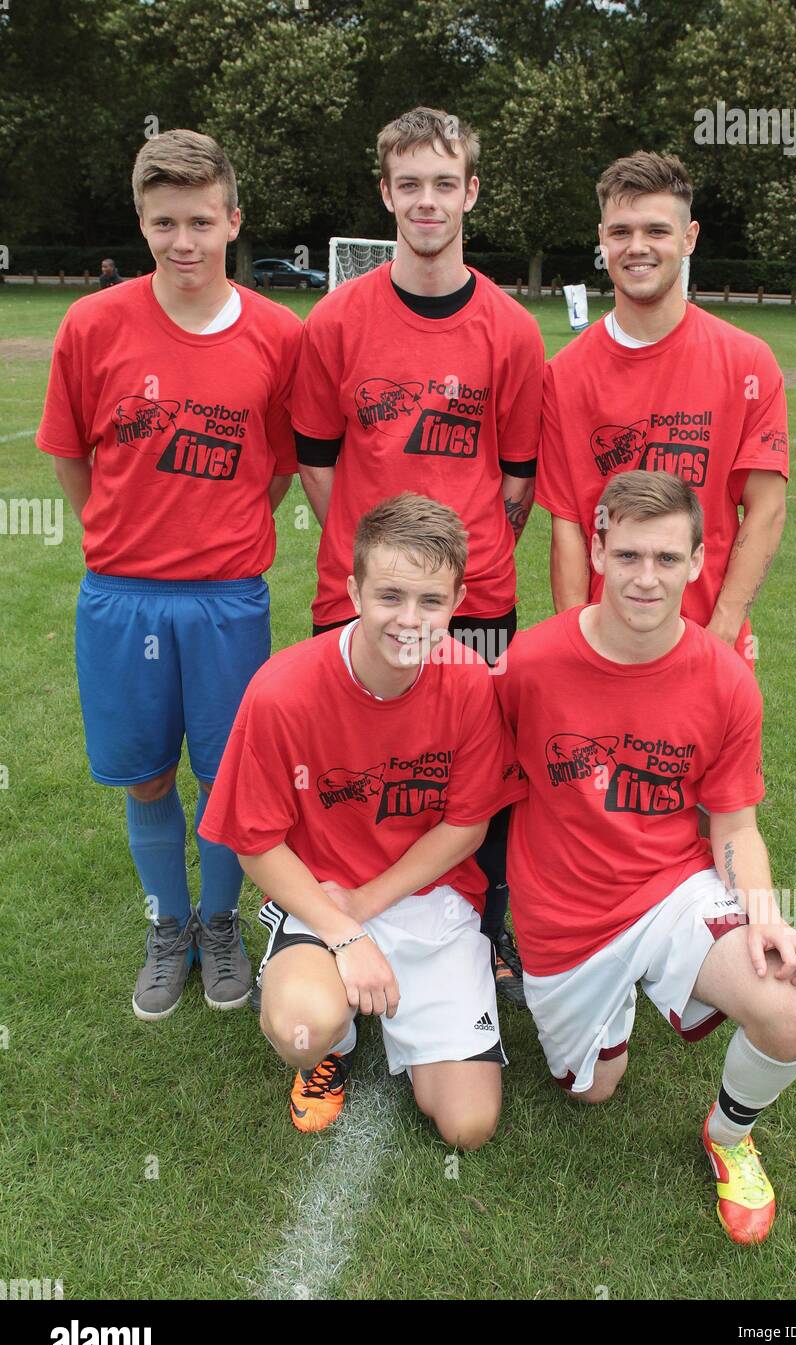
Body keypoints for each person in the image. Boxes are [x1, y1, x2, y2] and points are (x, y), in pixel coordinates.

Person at [495, 472, 796, 1244]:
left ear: (698, 562)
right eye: (629, 555)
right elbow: (480, 788)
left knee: (788, 1010)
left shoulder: (725, 680)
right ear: (597, 552)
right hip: (564, 916)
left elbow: (733, 825)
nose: (646, 577)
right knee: (592, 1092)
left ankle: (728, 1136)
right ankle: (613, 1006)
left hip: (671, 888)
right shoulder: (530, 665)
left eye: (667, 558)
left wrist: (763, 915)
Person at [37, 129, 303, 1021]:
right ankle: (167, 924)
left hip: (227, 598)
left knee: (226, 779)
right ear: (142, 223)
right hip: (123, 597)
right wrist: (122, 536)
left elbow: (274, 469)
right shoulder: (92, 324)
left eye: (199, 221)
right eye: (163, 223)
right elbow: (71, 454)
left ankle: (219, 923)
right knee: (147, 775)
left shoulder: (278, 334)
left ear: (232, 220)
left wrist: (214, 536)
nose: (182, 241)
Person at [293, 106, 544, 1005]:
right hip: (356, 598)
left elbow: (517, 479)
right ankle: (336, 924)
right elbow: (317, 462)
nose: (427, 201)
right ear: (386, 193)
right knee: (353, 772)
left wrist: (459, 568)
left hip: (475, 603)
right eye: (410, 184)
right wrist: (376, 568)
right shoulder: (336, 320)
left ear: (470, 192)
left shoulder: (511, 329)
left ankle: (490, 928)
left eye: (444, 183)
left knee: (482, 778)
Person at [200, 494, 526, 1145]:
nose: (409, 620)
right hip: (320, 896)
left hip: (428, 898)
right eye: (389, 596)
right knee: (302, 1029)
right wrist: (346, 933)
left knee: (468, 1126)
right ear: (352, 591)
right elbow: (255, 843)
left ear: (458, 601)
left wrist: (366, 906)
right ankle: (335, 1044)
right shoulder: (282, 691)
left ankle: (412, 1004)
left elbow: (466, 825)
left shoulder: (468, 683)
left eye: (430, 601)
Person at [538, 151, 789, 670]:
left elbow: (765, 509)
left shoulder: (747, 362)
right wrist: (577, 644)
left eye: (656, 230)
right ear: (602, 239)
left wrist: (719, 636)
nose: (637, 247)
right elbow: (568, 525)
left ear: (689, 237)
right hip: (604, 647)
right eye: (621, 232)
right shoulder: (564, 374)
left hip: (710, 647)